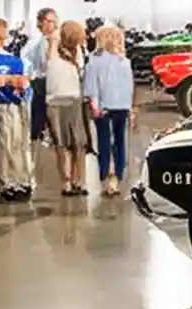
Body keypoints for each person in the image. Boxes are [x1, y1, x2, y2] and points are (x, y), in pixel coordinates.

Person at [0, 19, 33, 203]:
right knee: (3, 145)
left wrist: (7, 80)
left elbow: (23, 81)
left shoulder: (13, 59)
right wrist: (9, 80)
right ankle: (4, 182)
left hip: (15, 105)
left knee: (18, 143)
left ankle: (21, 179)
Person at [85, 25, 135, 196]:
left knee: (105, 143)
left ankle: (106, 176)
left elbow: (91, 87)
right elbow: (129, 88)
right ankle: (116, 177)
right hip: (121, 107)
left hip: (104, 108)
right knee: (119, 143)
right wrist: (129, 108)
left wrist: (95, 106)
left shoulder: (95, 60)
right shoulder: (124, 61)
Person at [47, 20, 90, 196]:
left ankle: (77, 180)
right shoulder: (53, 50)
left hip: (74, 99)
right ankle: (66, 181)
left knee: (78, 143)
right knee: (61, 144)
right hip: (56, 101)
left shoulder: (78, 52)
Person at [22, 8, 59, 141]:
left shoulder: (57, 40)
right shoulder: (34, 42)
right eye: (48, 21)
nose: (51, 25)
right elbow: (29, 61)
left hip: (54, 84)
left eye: (53, 21)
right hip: (39, 83)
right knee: (38, 117)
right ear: (40, 22)